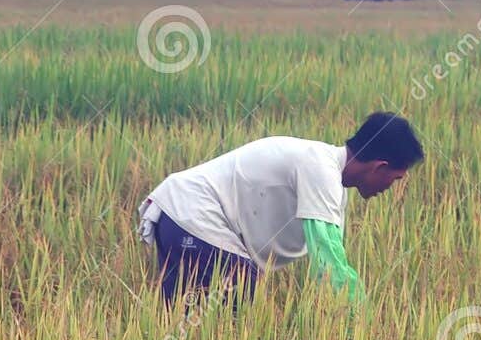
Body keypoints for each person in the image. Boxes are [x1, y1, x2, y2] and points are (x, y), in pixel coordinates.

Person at [138, 112, 424, 306]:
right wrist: (359, 317)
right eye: (396, 178)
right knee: (238, 299)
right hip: (193, 217)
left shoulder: (325, 172)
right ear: (379, 166)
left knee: (181, 317)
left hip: (174, 215)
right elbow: (329, 260)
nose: (392, 186)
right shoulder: (320, 169)